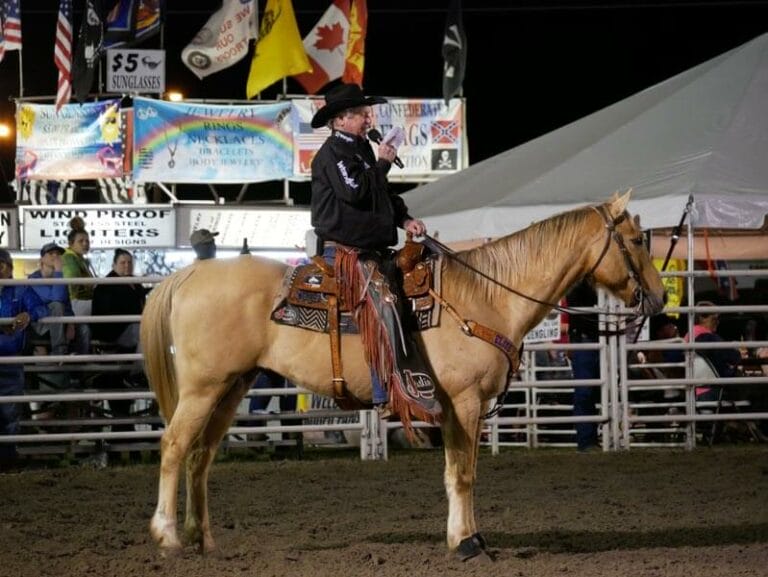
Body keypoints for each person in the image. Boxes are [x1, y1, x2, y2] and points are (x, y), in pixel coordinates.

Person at [309, 82, 440, 422]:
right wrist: (381, 164)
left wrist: (405, 218)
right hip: (346, 252)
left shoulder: (360, 149)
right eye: (360, 114)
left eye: (367, 114)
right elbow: (355, 192)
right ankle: (385, 394)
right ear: (340, 120)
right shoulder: (333, 154)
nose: (368, 119)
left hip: (369, 249)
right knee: (384, 304)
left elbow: (379, 194)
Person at [0, 249, 49, 468]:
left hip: (11, 360)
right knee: (9, 412)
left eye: (2, 265)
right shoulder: (19, 289)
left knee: (10, 413)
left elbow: (41, 308)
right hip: (10, 359)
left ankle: (8, 461)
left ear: (9, 268)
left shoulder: (21, 289)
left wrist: (29, 315)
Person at [91, 249, 148, 435]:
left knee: (144, 329)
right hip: (114, 334)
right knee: (142, 329)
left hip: (130, 335)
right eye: (123, 262)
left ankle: (139, 370)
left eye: (129, 262)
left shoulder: (135, 284)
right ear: (114, 265)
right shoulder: (106, 285)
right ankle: (137, 373)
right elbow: (106, 316)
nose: (127, 266)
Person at [566, 280, 601, 451]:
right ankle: (587, 440)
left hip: (598, 336)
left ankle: (589, 439)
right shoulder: (578, 281)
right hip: (585, 337)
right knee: (585, 391)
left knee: (590, 391)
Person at [61, 217, 95, 355]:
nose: (85, 244)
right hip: (73, 303)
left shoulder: (80, 259)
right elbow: (72, 281)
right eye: (81, 241)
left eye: (87, 241)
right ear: (71, 243)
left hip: (81, 303)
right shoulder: (69, 257)